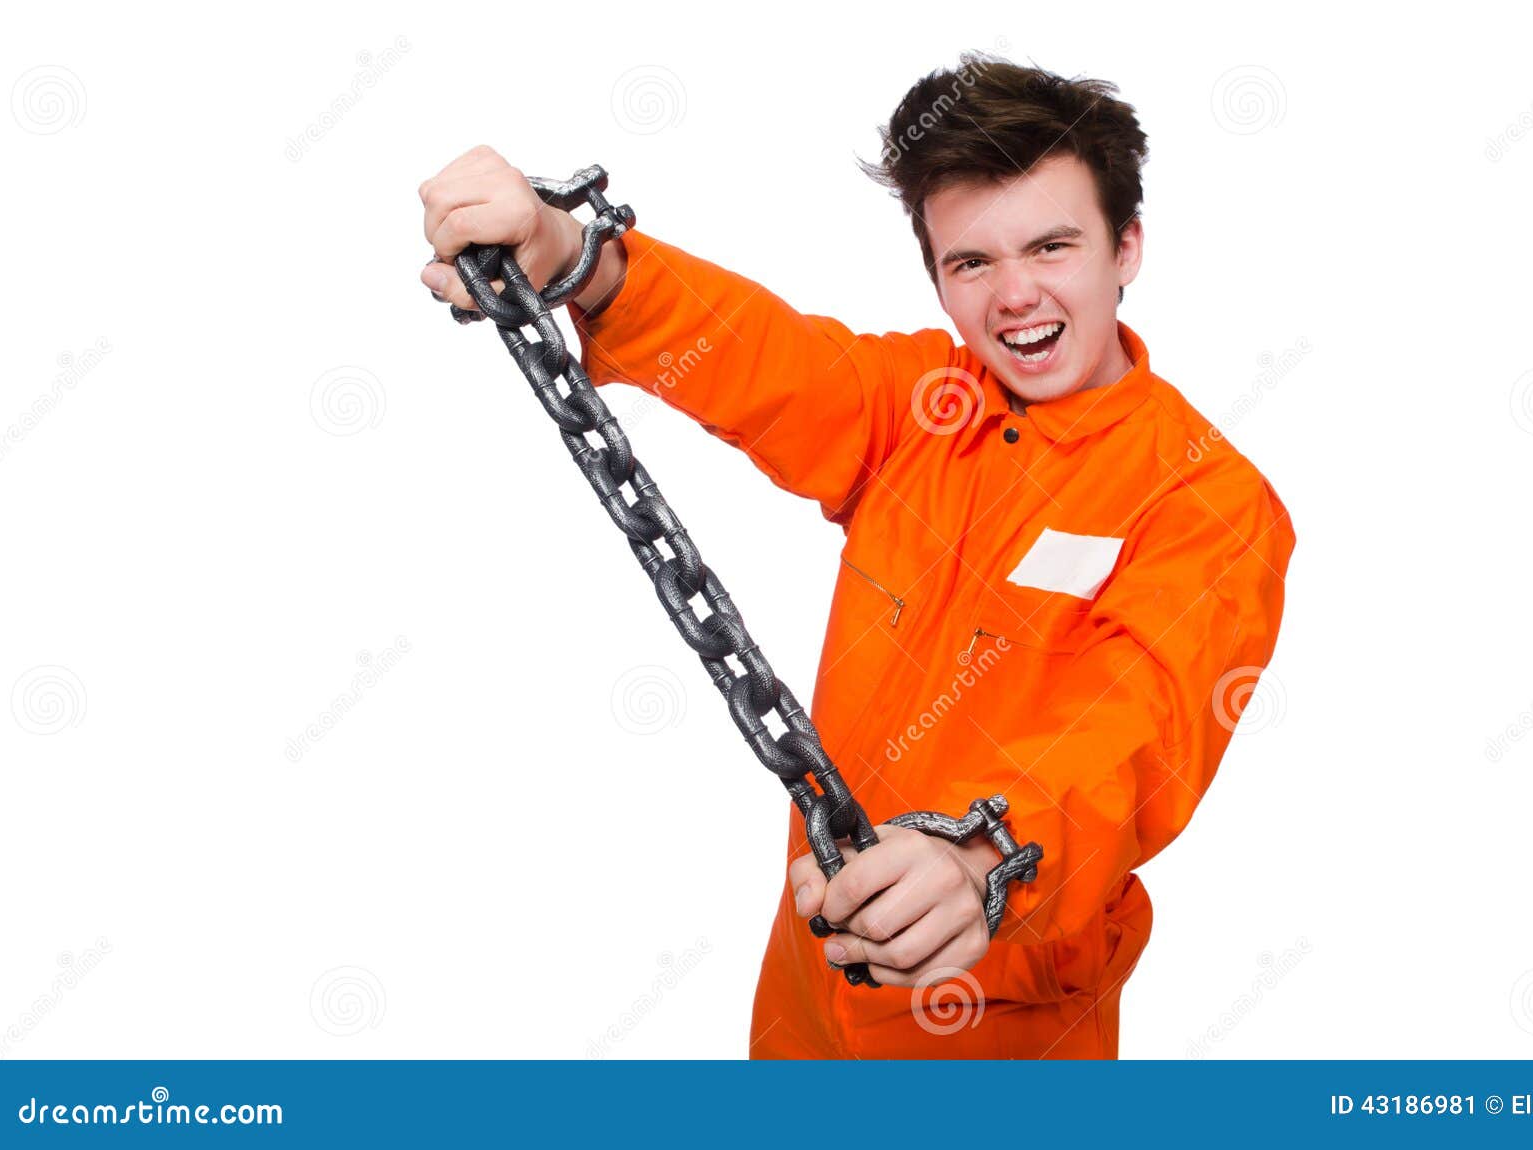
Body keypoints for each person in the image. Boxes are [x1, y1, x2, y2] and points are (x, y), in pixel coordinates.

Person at [417, 52, 1296, 1059]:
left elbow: (1142, 719)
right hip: (806, 1002)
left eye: (1051, 246)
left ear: (1125, 245)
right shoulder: (923, 407)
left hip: (999, 1032)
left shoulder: (1204, 499)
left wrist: (986, 853)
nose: (1015, 296)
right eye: (970, 263)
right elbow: (768, 359)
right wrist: (576, 255)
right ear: (936, 274)